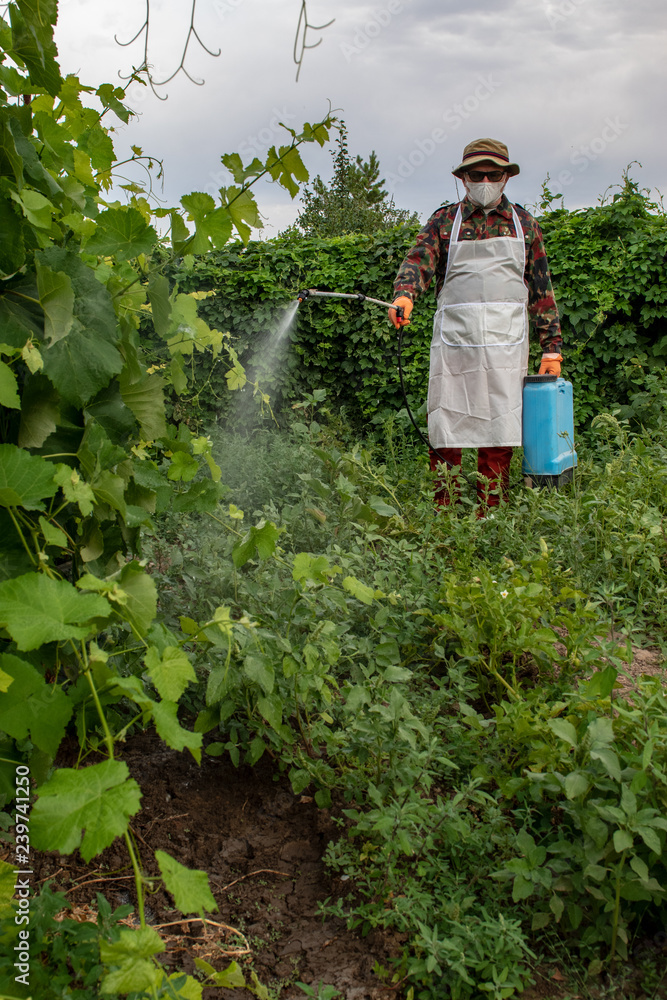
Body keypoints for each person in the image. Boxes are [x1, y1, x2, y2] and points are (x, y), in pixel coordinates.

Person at [388, 137, 563, 510]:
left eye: (492, 173)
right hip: (456, 345)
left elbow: (541, 290)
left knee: (499, 429)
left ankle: (490, 514)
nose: (484, 180)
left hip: (505, 347)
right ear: (463, 177)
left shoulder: (525, 226)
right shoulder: (444, 221)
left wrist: (552, 349)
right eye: (476, 174)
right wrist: (405, 292)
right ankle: (445, 510)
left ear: (505, 178)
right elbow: (418, 261)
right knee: (445, 428)